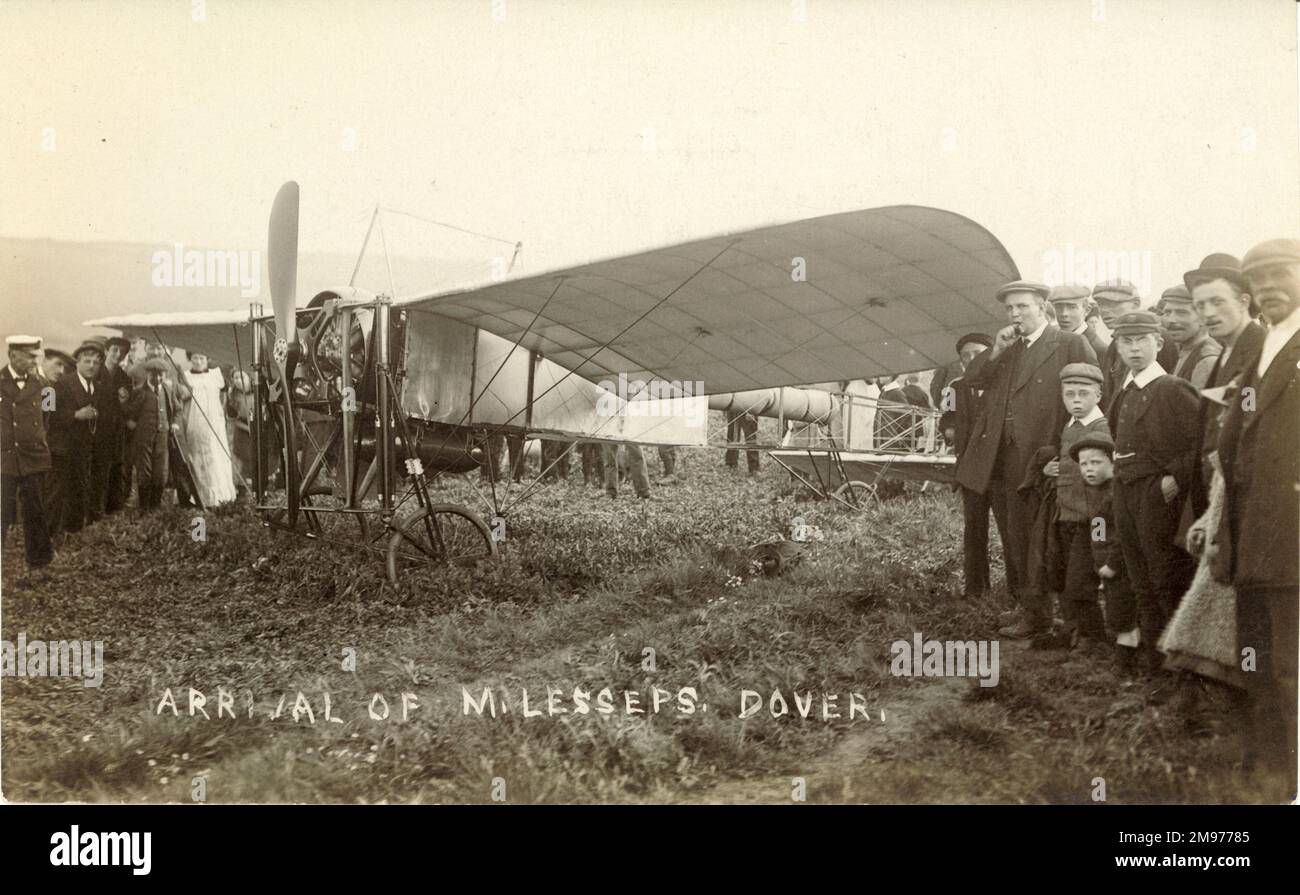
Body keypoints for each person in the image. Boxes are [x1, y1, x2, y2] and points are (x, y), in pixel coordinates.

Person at [958, 280, 1097, 637]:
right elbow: (971, 381)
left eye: (1023, 307)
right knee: (1014, 534)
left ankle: (1050, 617)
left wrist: (1066, 456)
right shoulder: (1009, 348)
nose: (1016, 314)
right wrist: (995, 350)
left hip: (1042, 456)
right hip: (1001, 457)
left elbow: (1088, 402)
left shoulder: (1068, 344)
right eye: (1010, 309)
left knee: (1043, 538)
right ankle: (1029, 608)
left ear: (1042, 307)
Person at [1213, 238, 1300, 779]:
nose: (1267, 287)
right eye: (1258, 280)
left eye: (1279, 274)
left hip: (1292, 534)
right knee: (1257, 654)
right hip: (1251, 530)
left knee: (1292, 661)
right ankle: (1268, 758)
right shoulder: (1264, 345)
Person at [1105, 310, 1199, 676]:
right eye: (1126, 342)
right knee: (1139, 578)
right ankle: (1154, 664)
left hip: (1156, 496)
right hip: (1126, 493)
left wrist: (1174, 477)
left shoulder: (1172, 389)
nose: (1133, 349)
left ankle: (1181, 669)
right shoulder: (1123, 393)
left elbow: (1206, 442)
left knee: (1165, 579)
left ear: (1158, 343)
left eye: (1141, 340)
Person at [1034, 363, 1111, 647]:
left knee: (1081, 582)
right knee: (1061, 576)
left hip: (1091, 519)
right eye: (1069, 394)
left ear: (1098, 395)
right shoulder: (1069, 427)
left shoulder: (1101, 428)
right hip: (1065, 515)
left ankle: (1095, 638)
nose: (1076, 400)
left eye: (1083, 393)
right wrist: (1050, 469)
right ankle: (1073, 631)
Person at [1185, 253, 1265, 521]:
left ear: (1244, 301)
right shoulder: (1226, 352)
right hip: (1218, 501)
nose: (1208, 313)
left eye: (1217, 302)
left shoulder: (1261, 352)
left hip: (1245, 502)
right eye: (1200, 305)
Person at [944, 332, 1013, 598]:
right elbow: (946, 417)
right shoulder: (955, 387)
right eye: (966, 356)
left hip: (999, 470)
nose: (972, 359)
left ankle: (1015, 590)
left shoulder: (1003, 383)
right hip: (970, 470)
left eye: (978, 354)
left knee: (1010, 532)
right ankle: (975, 589)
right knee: (974, 530)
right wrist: (949, 429)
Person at [1069, 432, 1137, 674]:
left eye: (1096, 462)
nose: (1089, 469)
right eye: (1084, 464)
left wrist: (1111, 563)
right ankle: (1108, 647)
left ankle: (1126, 662)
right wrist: (1096, 558)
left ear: (1112, 462)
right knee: (1112, 607)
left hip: (1120, 563)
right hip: (1104, 561)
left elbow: (1123, 534)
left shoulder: (1117, 493)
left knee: (1124, 612)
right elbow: (1098, 531)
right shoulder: (1093, 493)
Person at [1, 335, 55, 570]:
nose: (35, 361)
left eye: (37, 356)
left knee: (36, 508)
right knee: (2, 509)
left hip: (34, 456)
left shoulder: (46, 387)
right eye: (30, 356)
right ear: (12, 356)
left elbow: (48, 419)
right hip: (5, 457)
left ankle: (40, 561)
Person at [49, 340, 104, 534]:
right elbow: (48, 414)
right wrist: (75, 415)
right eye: (87, 361)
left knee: (78, 488)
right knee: (57, 493)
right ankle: (48, 536)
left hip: (81, 449)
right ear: (78, 363)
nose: (91, 366)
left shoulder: (94, 387)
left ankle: (72, 531)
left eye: (96, 363)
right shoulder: (61, 384)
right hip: (61, 449)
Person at [1092, 279, 1179, 401]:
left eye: (1113, 303)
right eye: (1101, 304)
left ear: (1136, 303)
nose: (1105, 310)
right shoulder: (1115, 343)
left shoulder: (1156, 337)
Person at [179, 351, 237, 507]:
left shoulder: (216, 375)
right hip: (194, 422)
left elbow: (224, 395)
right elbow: (182, 398)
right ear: (190, 359)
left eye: (201, 358)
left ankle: (218, 496)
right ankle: (196, 496)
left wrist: (221, 414)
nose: (198, 361)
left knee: (215, 454)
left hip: (214, 422)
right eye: (195, 358)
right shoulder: (185, 376)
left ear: (207, 359)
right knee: (195, 455)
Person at [126, 359, 183, 510]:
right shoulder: (139, 392)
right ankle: (144, 508)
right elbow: (129, 412)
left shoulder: (168, 391)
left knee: (161, 474)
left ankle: (155, 507)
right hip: (143, 439)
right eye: (153, 375)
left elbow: (177, 409)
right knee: (144, 473)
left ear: (165, 375)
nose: (157, 379)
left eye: (161, 375)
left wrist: (175, 423)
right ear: (147, 374)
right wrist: (131, 422)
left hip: (162, 438)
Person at [92, 336, 132, 515]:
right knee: (97, 469)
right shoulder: (95, 373)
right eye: (115, 350)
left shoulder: (124, 378)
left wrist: (124, 402)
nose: (118, 354)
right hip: (96, 430)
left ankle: (112, 509)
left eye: (122, 352)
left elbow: (126, 409)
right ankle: (95, 510)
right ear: (106, 351)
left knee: (116, 468)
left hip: (116, 431)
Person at [1157, 285, 1221, 389]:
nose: (1171, 320)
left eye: (1181, 313)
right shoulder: (1186, 351)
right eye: (1167, 312)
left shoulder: (1207, 362)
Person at [1048, 284, 1109, 358]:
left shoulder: (1100, 350)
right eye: (1058, 307)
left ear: (1086, 310)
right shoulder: (1052, 339)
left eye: (1072, 307)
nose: (1064, 313)